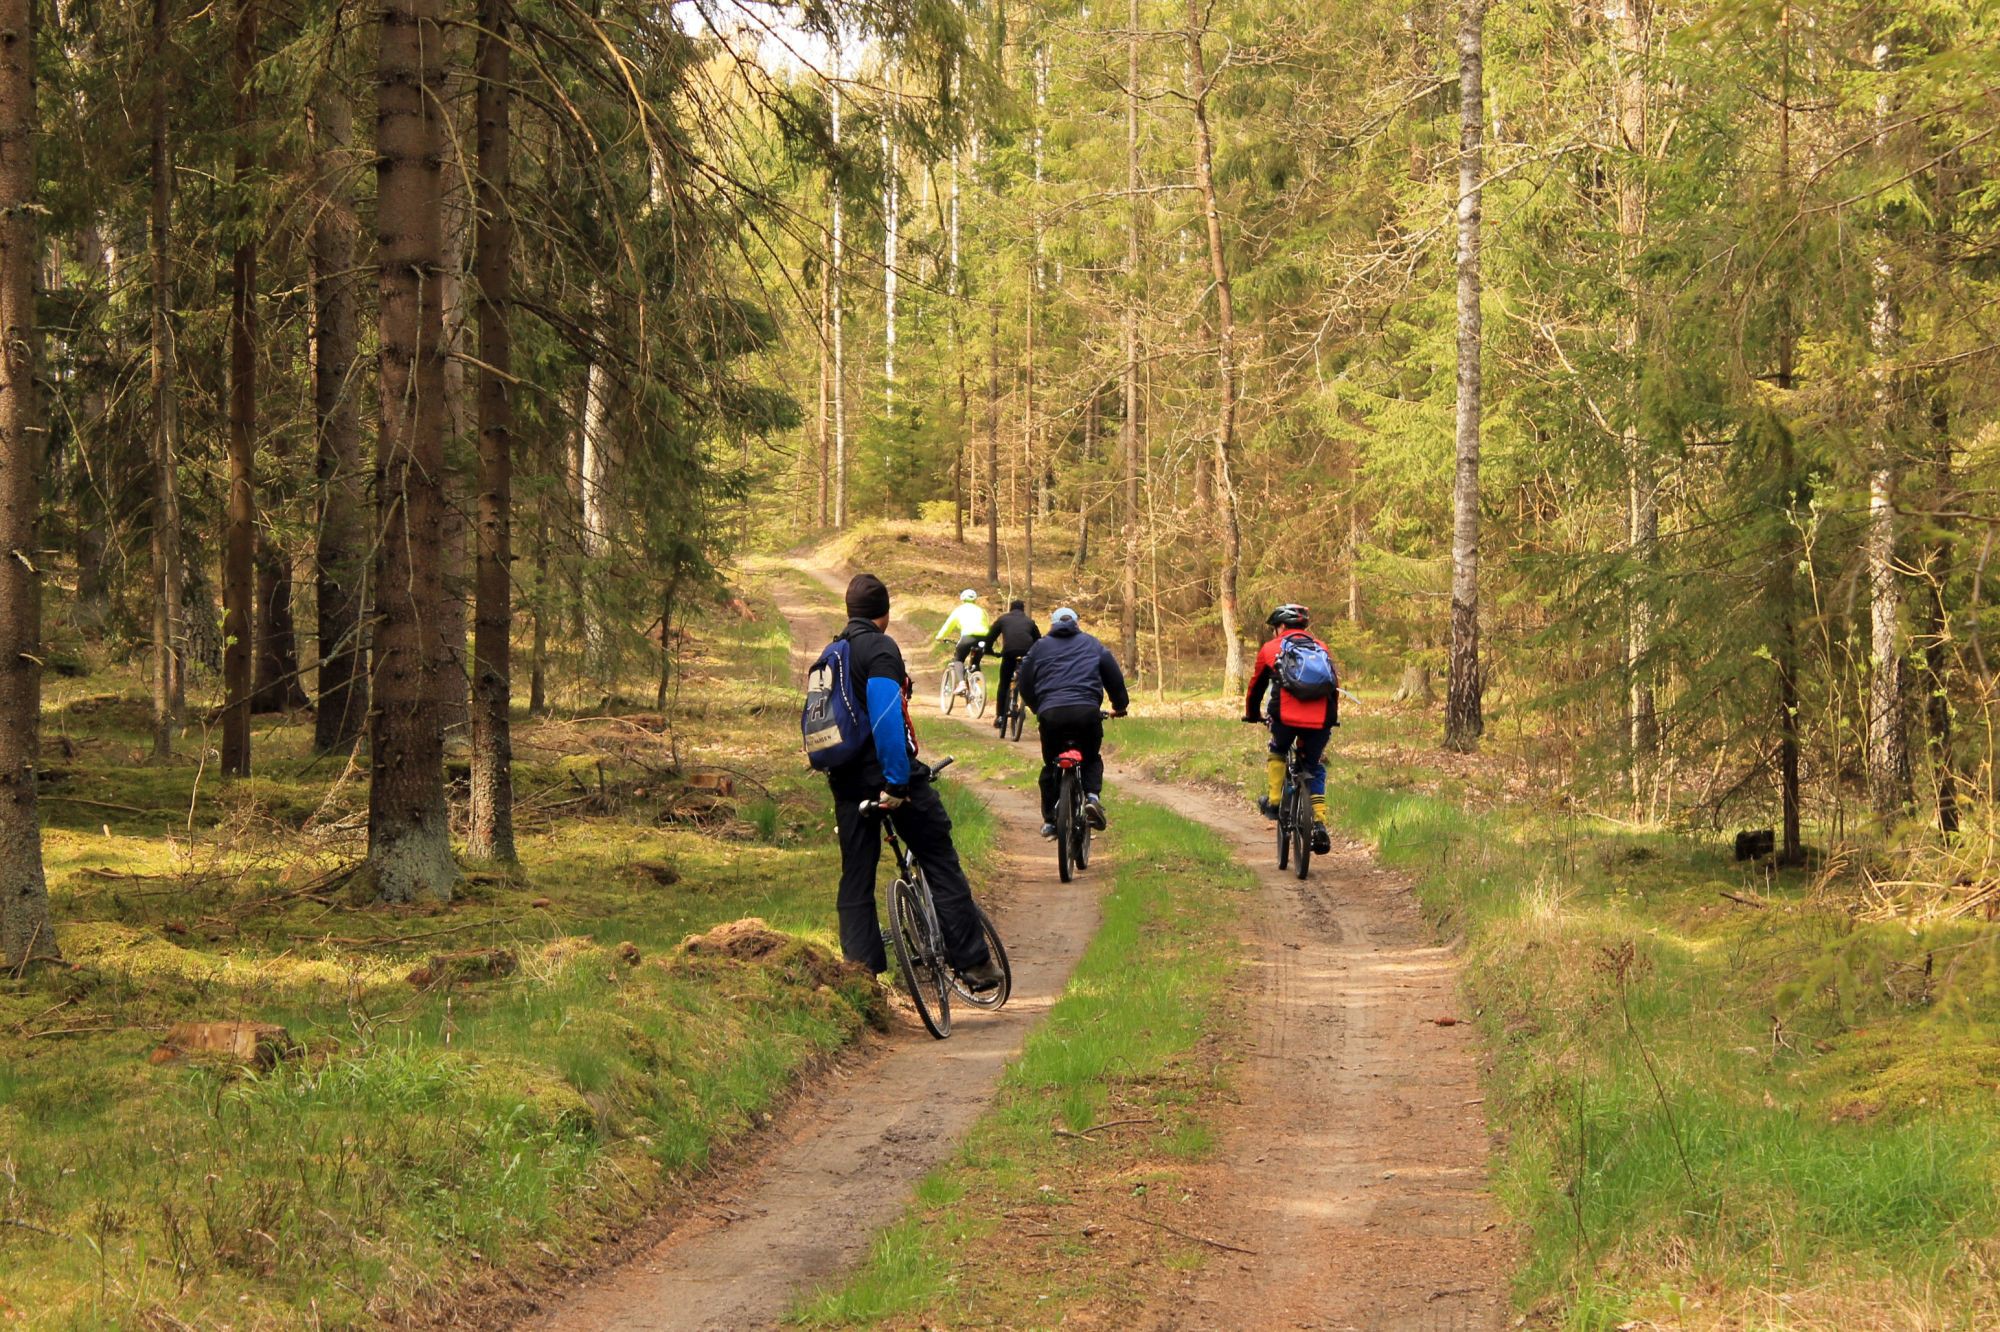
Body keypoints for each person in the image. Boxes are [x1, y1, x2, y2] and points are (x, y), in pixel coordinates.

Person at [824, 573, 1004, 990]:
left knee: (856, 875)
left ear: (850, 612)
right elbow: (887, 718)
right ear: (884, 615)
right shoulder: (880, 647)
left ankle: (861, 976)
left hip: (845, 781)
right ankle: (973, 963)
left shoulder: (834, 651)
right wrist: (897, 784)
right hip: (885, 774)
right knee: (938, 854)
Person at [1017, 607, 1128, 839]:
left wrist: (1037, 706)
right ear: (1077, 623)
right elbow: (1113, 676)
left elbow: (1024, 680)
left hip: (1051, 715)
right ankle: (1092, 799)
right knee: (1090, 759)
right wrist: (1119, 706)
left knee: (1051, 766)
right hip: (1086, 712)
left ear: (1052, 624)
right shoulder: (1092, 644)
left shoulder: (1039, 647)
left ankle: (1049, 821)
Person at [1243, 603, 1337, 854]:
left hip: (1284, 718)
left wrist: (1252, 714)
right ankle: (1318, 823)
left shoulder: (1270, 649)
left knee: (1278, 749)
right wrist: (1330, 720)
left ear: (1281, 627)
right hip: (1320, 720)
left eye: (1275, 628)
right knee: (1313, 766)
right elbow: (1333, 687)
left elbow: (1256, 687)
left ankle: (1274, 802)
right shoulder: (1321, 648)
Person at [985, 598, 1041, 731]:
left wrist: (989, 650)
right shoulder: (1029, 621)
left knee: (1004, 683)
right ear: (1022, 610)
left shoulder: (1003, 619)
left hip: (1009, 654)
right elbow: (1039, 641)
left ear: (1010, 608)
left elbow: (990, 637)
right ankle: (1036, 711)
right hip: (1027, 655)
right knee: (1029, 682)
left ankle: (999, 716)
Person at [933, 588, 992, 668]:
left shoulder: (959, 610)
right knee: (975, 664)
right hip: (984, 639)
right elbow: (987, 624)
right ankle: (977, 677)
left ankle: (961, 681)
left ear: (962, 599)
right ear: (975, 599)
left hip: (968, 637)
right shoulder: (981, 610)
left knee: (958, 660)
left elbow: (948, 626)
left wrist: (940, 637)